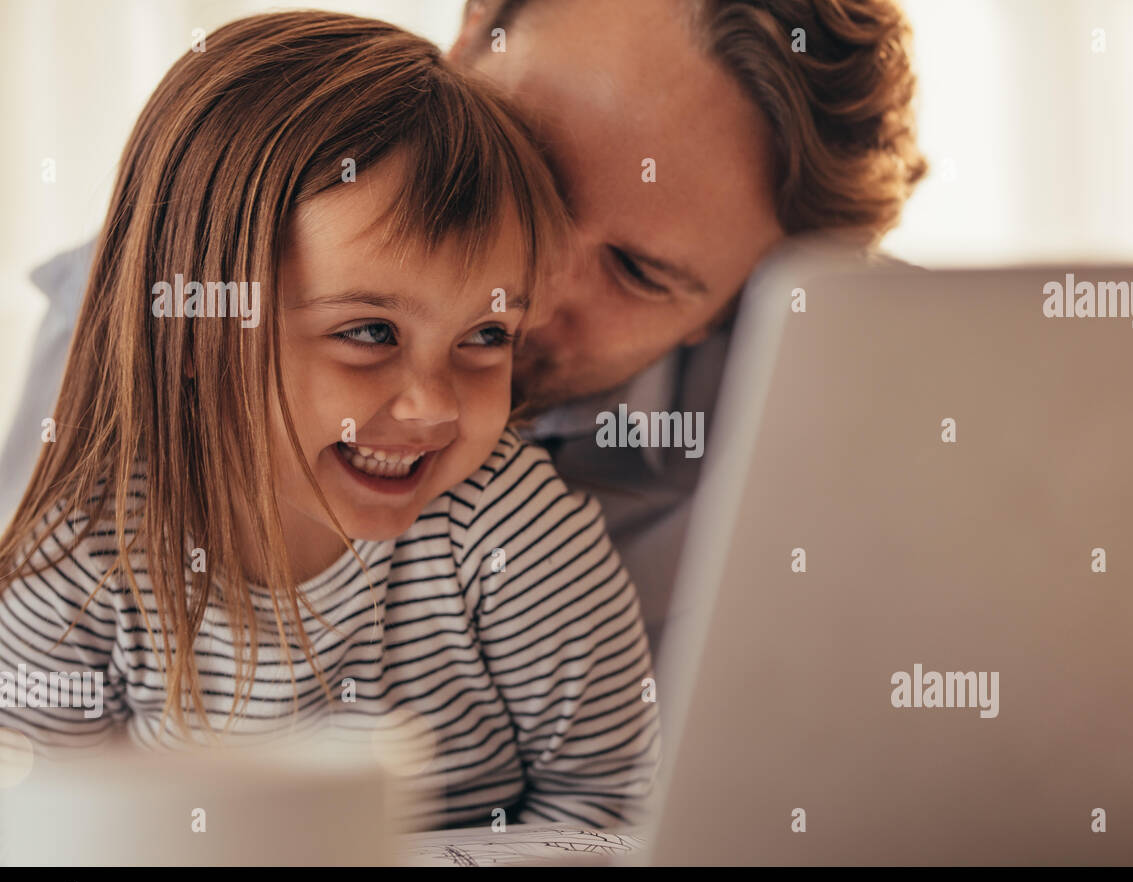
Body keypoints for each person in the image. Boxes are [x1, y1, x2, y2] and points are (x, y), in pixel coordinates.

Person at [0, 0, 926, 653]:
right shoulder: (161, 309)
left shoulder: (879, 416)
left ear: (743, 307)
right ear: (475, 28)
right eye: (531, 166)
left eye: (639, 273)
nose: (524, 287)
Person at [0, 12, 659, 832]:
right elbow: (42, 835)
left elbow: (618, 812)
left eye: (485, 337)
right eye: (370, 333)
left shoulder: (510, 532)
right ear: (194, 331)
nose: (435, 407)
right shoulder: (82, 562)